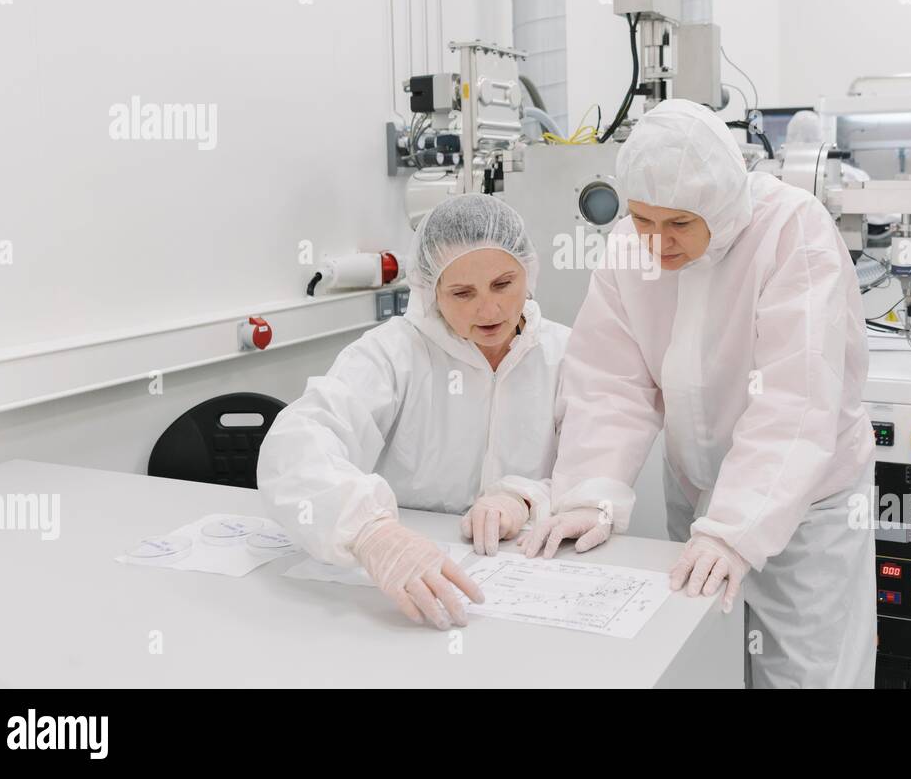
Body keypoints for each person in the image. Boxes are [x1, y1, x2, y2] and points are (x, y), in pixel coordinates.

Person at [523, 99, 877, 688]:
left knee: (805, 674)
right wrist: (592, 492)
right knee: (706, 664)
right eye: (642, 219)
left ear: (720, 202)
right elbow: (611, 384)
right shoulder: (628, 249)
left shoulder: (792, 232)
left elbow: (795, 398)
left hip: (806, 507)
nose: (657, 242)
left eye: (679, 224)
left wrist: (735, 527)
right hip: (699, 495)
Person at [257, 194, 570, 629]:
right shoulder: (393, 353)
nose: (489, 309)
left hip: (536, 583)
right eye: (462, 292)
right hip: (407, 587)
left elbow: (599, 471)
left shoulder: (566, 355)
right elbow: (297, 445)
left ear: (528, 273)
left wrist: (527, 496)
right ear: (429, 291)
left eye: (503, 284)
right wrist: (372, 534)